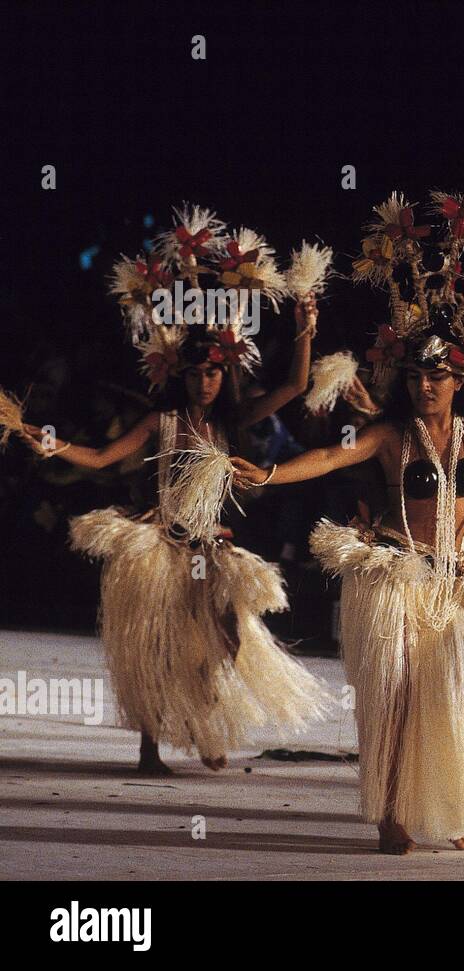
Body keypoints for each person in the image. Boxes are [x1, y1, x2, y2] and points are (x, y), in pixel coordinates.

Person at [232, 190, 464, 854]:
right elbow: (332, 454)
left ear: (459, 376)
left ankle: (451, 802)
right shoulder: (392, 436)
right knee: (393, 702)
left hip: (458, 586)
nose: (427, 384)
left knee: (459, 698)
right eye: (419, 374)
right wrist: (272, 473)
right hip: (398, 582)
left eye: (440, 374)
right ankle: (391, 809)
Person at [9, 205, 331, 774]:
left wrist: (305, 329)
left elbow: (297, 385)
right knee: (156, 648)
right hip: (161, 545)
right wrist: (52, 444)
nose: (204, 381)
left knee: (225, 640)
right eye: (194, 373)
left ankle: (208, 724)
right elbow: (104, 457)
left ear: (225, 373)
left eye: (212, 373)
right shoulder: (161, 422)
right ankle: (150, 749)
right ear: (179, 374)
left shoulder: (235, 420)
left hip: (211, 546)